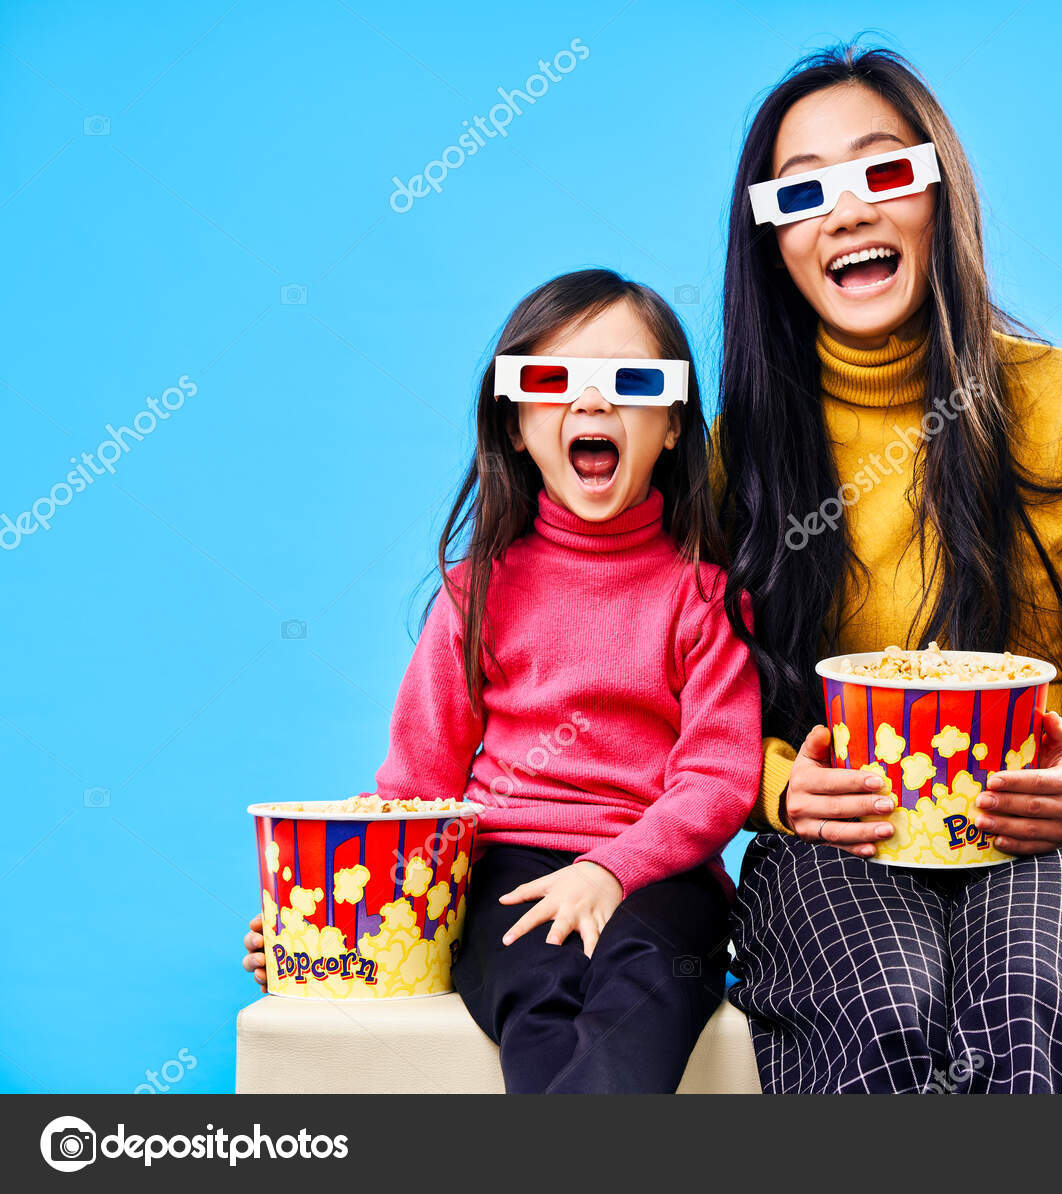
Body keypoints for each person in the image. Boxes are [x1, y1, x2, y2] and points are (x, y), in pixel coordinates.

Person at [715, 45, 1062, 1092]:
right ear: (773, 239)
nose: (845, 214)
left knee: (1027, 1002)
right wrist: (786, 791)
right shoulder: (728, 451)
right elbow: (693, 704)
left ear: (942, 197)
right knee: (881, 1007)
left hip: (1047, 839)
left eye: (884, 172)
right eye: (802, 192)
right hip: (833, 845)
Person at [244, 269, 761, 1093]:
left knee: (647, 993)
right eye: (552, 382)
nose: (590, 406)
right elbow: (418, 785)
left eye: (630, 383)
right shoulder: (475, 590)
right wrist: (336, 924)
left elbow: (717, 779)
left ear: (671, 427)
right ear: (516, 427)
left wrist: (613, 869)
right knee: (535, 994)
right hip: (506, 867)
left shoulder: (704, 597)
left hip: (659, 876)